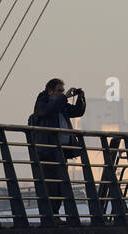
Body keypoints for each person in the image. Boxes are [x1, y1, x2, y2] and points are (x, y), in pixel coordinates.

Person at [30, 78, 86, 217]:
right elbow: (46, 111)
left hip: (61, 152)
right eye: (59, 91)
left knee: (61, 185)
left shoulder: (61, 105)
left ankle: (55, 215)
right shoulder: (42, 103)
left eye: (62, 91)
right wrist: (64, 97)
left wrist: (81, 98)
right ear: (50, 91)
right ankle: (51, 215)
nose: (62, 93)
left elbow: (77, 112)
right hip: (47, 152)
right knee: (51, 186)